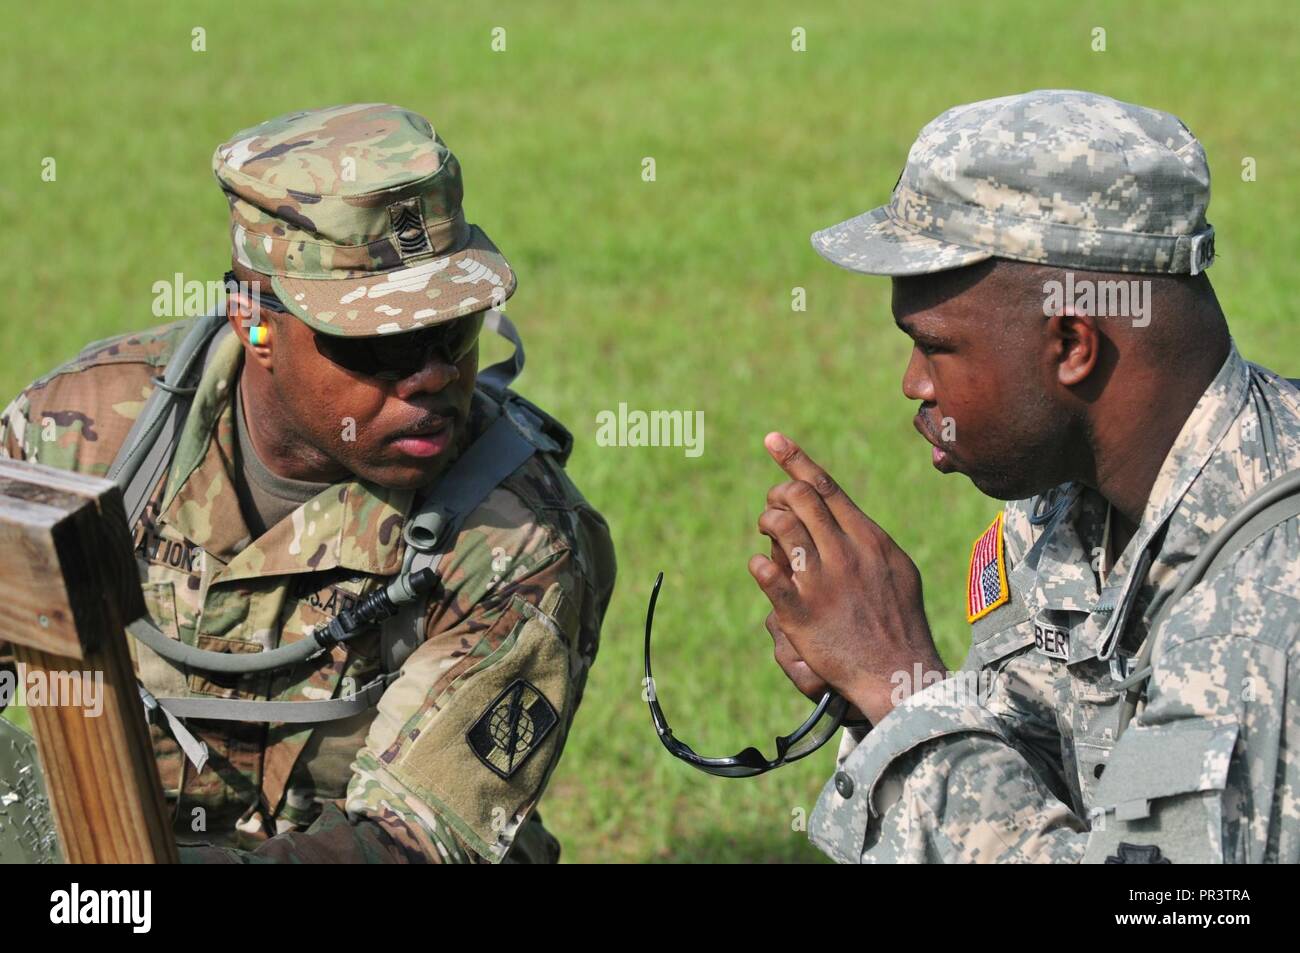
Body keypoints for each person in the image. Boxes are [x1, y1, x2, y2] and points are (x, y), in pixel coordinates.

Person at [0, 103, 616, 863]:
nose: (432, 376)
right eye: (380, 343)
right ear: (255, 322)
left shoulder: (519, 538)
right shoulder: (75, 438)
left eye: (454, 328)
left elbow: (415, 843)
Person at [748, 89, 1298, 863]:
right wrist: (879, 703)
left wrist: (901, 692)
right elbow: (1044, 783)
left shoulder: (1270, 610)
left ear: (1073, 342)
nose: (914, 383)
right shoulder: (1068, 510)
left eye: (934, 345)